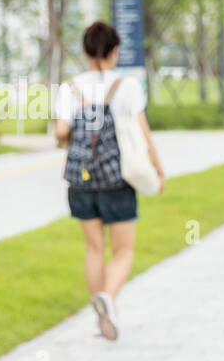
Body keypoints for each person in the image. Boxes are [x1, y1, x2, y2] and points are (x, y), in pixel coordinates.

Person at [54, 20, 165, 341]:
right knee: (123, 251)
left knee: (93, 249)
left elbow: (61, 131)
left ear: (85, 51)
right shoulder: (126, 86)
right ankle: (109, 298)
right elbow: (144, 135)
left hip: (81, 182)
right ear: (115, 51)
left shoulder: (70, 88)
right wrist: (158, 171)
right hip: (117, 179)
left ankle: (100, 318)